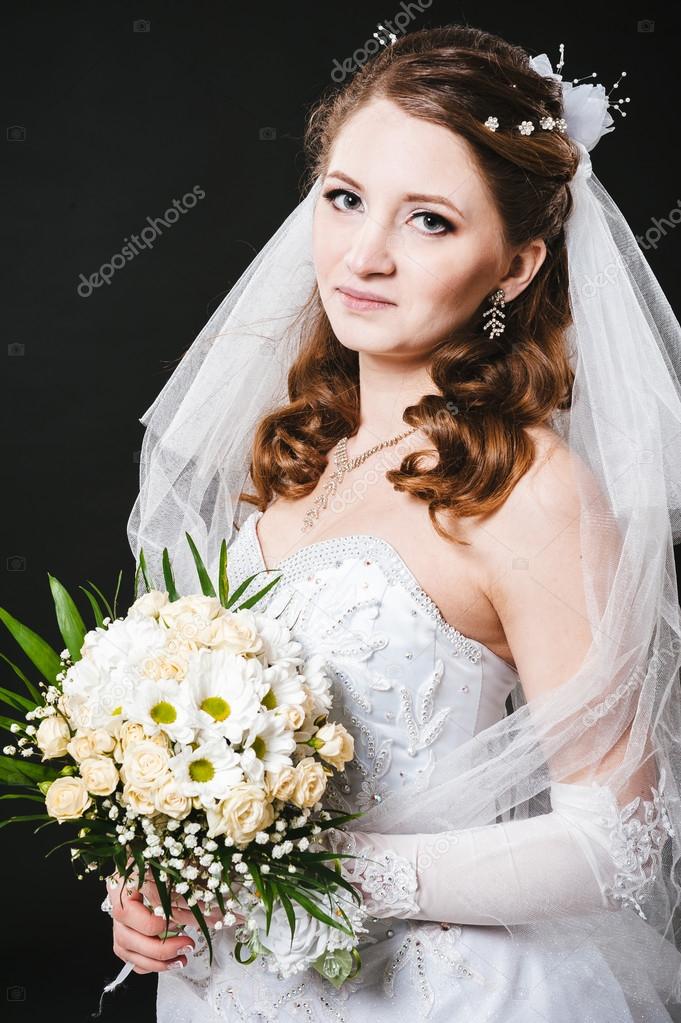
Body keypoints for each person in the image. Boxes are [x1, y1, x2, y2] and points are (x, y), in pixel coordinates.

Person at [116, 23, 681, 1022]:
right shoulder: (290, 453)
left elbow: (619, 842)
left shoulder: (525, 489)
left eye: (429, 221)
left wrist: (317, 873)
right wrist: (160, 879)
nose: (364, 255)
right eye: (345, 199)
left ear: (513, 268)